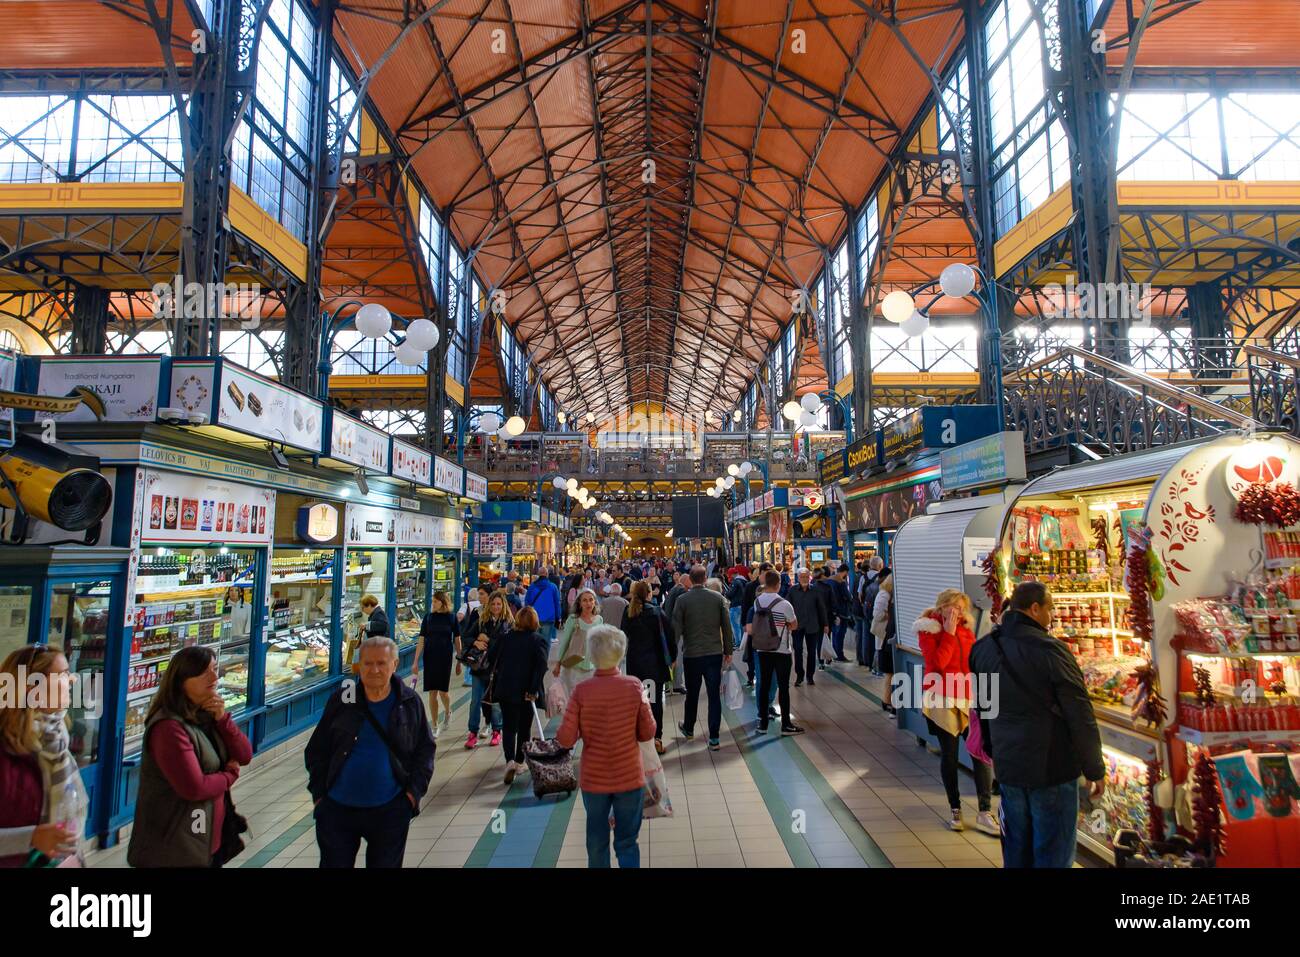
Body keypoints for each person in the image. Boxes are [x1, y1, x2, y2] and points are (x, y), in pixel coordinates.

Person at [969, 582, 1106, 868]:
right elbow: (1079, 713)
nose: (1052, 614)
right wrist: (1094, 767)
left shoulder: (983, 649)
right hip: (1052, 767)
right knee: (1052, 851)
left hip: (1009, 767)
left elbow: (983, 708)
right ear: (1035, 609)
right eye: (1050, 608)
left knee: (1017, 849)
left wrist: (994, 752)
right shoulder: (1052, 651)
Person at [305, 636, 435, 868]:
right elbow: (317, 749)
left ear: (394, 665)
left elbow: (425, 750)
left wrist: (412, 795)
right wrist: (319, 796)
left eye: (382, 663)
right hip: (337, 810)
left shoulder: (408, 702)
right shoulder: (343, 701)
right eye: (367, 663)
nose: (374, 669)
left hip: (390, 809)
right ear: (359, 666)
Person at [128, 645, 253, 867]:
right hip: (173, 848)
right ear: (181, 680)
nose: (214, 677)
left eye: (215, 669)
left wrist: (223, 720)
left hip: (204, 843)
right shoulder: (168, 728)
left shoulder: (207, 715)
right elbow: (194, 787)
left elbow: (244, 755)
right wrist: (229, 776)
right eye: (203, 672)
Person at [556, 625, 656, 868]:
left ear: (591, 655)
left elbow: (565, 739)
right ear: (621, 654)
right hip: (630, 776)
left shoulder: (581, 691)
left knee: (596, 840)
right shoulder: (634, 686)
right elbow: (648, 732)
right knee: (627, 841)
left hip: (594, 779)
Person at [914, 588, 996, 835]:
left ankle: (984, 810)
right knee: (949, 754)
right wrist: (948, 634)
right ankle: (955, 809)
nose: (957, 612)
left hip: (967, 697)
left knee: (980, 752)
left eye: (961, 608)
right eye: (952, 606)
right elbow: (937, 663)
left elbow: (972, 661)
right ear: (941, 607)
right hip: (941, 697)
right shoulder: (928, 630)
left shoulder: (966, 629)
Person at [0, 645, 88, 868]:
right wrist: (30, 838)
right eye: (63, 674)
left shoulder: (56, 739)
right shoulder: (7, 751)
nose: (73, 681)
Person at [672, 565, 734, 751]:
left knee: (692, 693)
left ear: (690, 579)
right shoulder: (718, 598)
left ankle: (689, 728)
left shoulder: (682, 600)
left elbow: (676, 629)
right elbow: (727, 627)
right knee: (714, 695)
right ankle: (714, 737)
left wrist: (673, 653)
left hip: (692, 654)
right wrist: (728, 651)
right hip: (714, 653)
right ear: (705, 578)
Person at [486, 607, 549, 785]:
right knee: (524, 728)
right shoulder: (538, 640)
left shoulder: (506, 637)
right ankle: (520, 762)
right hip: (527, 692)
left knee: (509, 727)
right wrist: (534, 689)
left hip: (506, 688)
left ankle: (509, 761)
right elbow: (541, 666)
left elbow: (491, 656)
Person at [747, 570, 804, 736]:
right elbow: (793, 625)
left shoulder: (757, 602)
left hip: (762, 649)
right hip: (781, 650)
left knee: (763, 685)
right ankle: (785, 724)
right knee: (783, 687)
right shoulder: (784, 604)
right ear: (778, 584)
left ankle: (763, 723)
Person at [621, 580, 675, 754]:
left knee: (638, 701)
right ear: (650, 594)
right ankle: (656, 738)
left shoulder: (628, 612)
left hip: (635, 664)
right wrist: (672, 658)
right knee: (654, 702)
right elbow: (669, 636)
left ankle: (639, 737)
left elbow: (624, 633)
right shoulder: (657, 612)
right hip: (654, 664)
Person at [464, 590, 512, 749]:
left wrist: (488, 640)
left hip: (498, 668)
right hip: (480, 668)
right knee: (475, 700)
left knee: (496, 702)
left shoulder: (508, 623)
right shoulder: (481, 621)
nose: (496, 607)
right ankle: (472, 732)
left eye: (499, 604)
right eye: (493, 604)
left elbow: (504, 646)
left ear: (503, 605)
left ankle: (497, 730)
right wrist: (475, 642)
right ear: (489, 605)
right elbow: (467, 637)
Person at [413, 591, 460, 738]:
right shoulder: (428, 618)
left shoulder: (451, 618)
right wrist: (415, 661)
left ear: (443, 602)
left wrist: (459, 659)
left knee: (443, 692)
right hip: (430, 657)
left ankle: (447, 710)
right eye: (432, 601)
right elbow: (421, 639)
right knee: (432, 692)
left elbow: (457, 639)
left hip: (445, 657)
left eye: (435, 601)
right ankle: (434, 725)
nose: (432, 603)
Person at [550, 588, 604, 698]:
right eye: (584, 600)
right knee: (573, 698)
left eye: (591, 600)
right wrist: (558, 664)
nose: (588, 603)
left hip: (592, 667)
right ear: (579, 603)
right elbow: (564, 642)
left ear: (595, 601)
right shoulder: (573, 619)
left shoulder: (599, 620)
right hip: (573, 666)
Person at [786, 568, 829, 687]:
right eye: (802, 577)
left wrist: (825, 624)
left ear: (809, 577)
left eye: (806, 577)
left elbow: (821, 608)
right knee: (798, 650)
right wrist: (788, 623)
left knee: (812, 652)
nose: (804, 579)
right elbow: (787, 607)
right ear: (798, 578)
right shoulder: (793, 590)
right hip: (797, 626)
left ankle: (810, 676)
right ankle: (799, 676)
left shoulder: (815, 590)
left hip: (812, 625)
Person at [871, 574, 897, 714]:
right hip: (884, 636)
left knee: (890, 673)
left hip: (888, 636)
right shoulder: (884, 595)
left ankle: (887, 701)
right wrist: (890, 615)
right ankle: (888, 702)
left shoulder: (889, 594)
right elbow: (877, 614)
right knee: (889, 672)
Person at [662, 570, 689, 694]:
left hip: (670, 628)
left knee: (672, 656)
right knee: (678, 657)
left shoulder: (673, 589)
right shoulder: (681, 591)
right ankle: (677, 684)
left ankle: (670, 684)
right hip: (677, 630)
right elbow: (681, 611)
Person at [524, 569, 563, 647]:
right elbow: (557, 603)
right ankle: (544, 658)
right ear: (547, 574)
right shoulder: (553, 587)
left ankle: (535, 658)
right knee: (546, 642)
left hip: (534, 618)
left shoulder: (532, 587)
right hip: (549, 618)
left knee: (534, 642)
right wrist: (558, 617)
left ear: (538, 574)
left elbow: (527, 602)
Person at [829, 565, 854, 661]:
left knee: (835, 633)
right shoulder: (841, 582)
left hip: (833, 611)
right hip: (842, 611)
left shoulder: (829, 580)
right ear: (845, 572)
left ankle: (835, 653)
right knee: (840, 634)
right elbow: (848, 596)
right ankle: (839, 655)